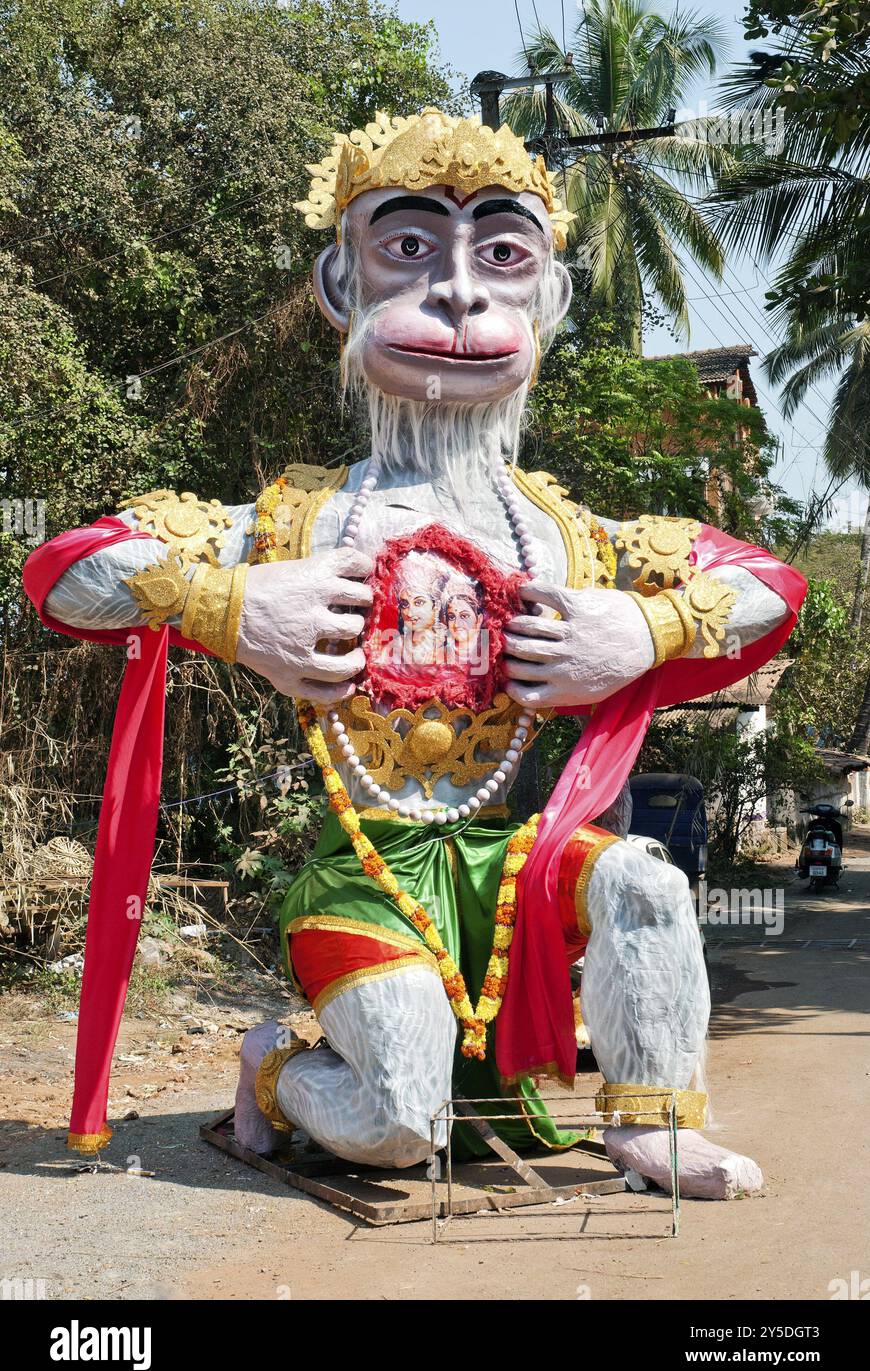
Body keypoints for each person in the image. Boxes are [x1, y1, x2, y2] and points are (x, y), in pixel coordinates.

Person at [25, 110, 805, 1193]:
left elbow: (771, 589)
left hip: (513, 862)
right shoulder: (294, 523)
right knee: (398, 1124)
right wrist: (226, 603)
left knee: (646, 880)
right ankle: (279, 1067)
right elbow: (64, 568)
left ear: (549, 298)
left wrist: (644, 626)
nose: (458, 291)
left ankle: (650, 1127)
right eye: (407, 250)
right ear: (343, 288)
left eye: (503, 254)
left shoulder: (575, 539)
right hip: (363, 871)